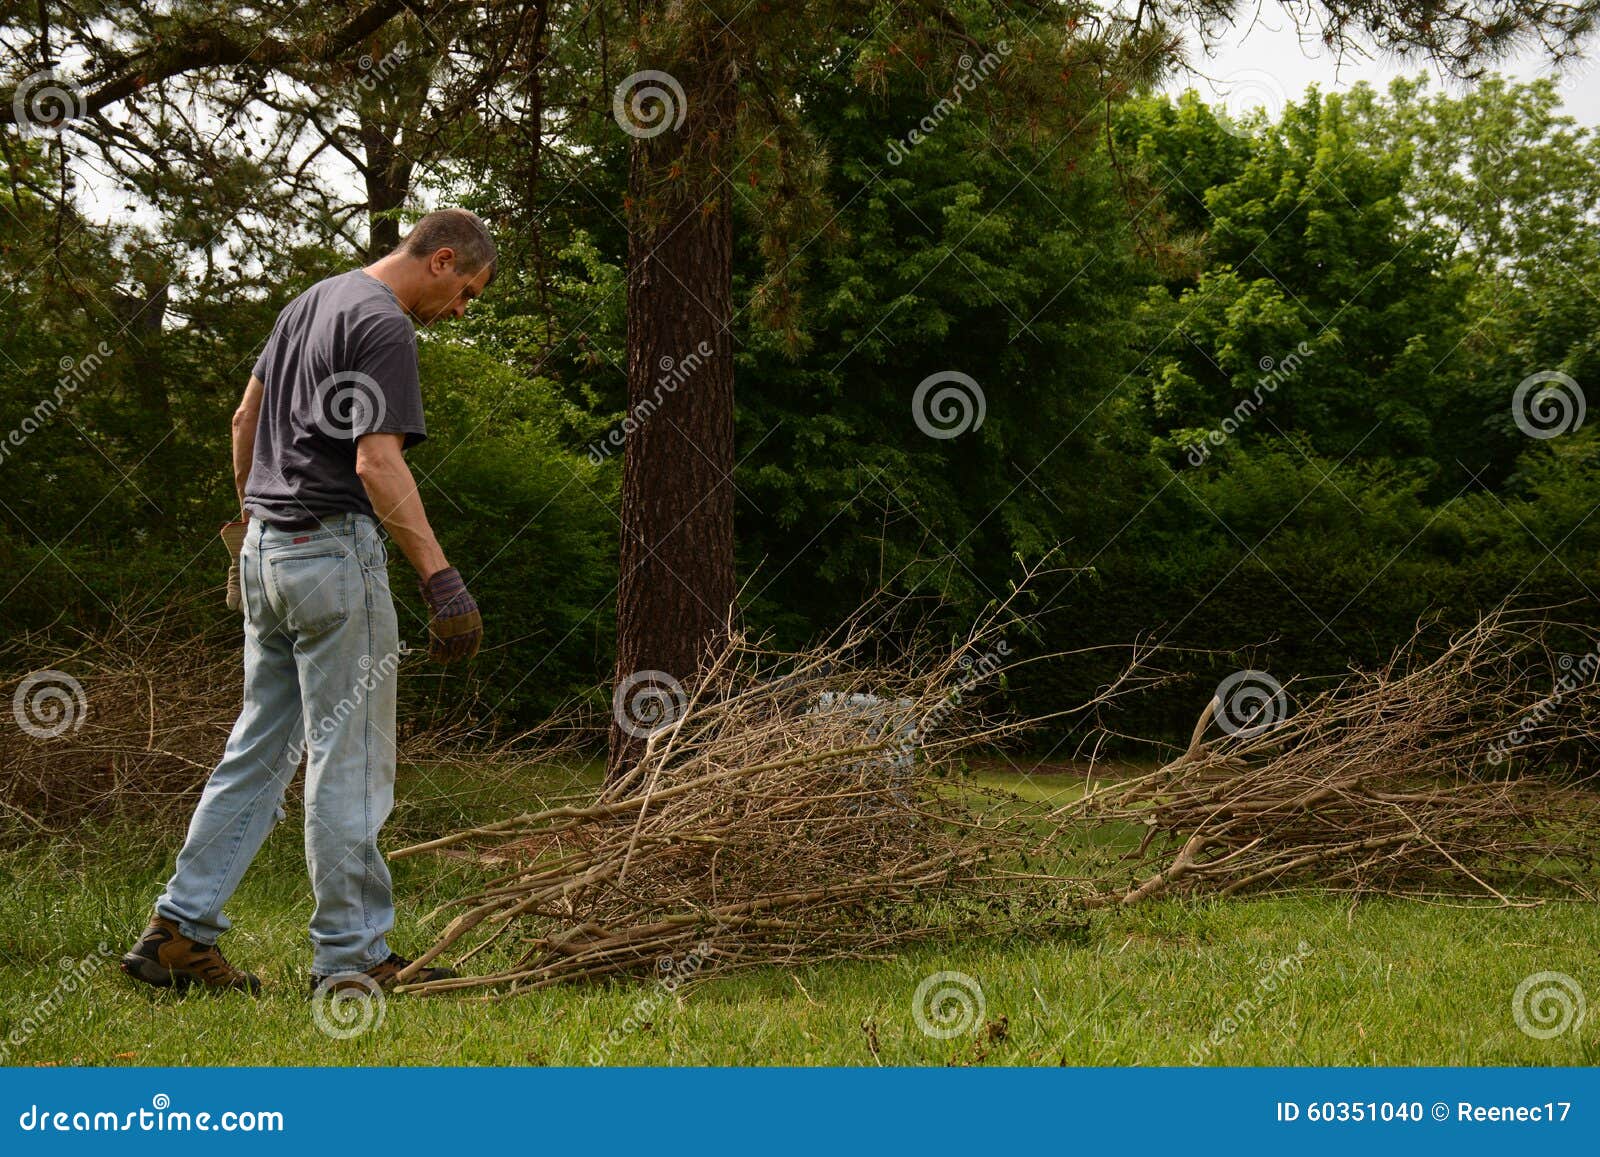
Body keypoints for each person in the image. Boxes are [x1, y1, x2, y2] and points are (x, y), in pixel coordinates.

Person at [120, 209, 493, 996]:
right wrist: (441, 577)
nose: (462, 310)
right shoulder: (384, 326)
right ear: (441, 259)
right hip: (332, 554)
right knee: (349, 760)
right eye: (467, 291)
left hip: (265, 552)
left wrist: (253, 522)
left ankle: (178, 932)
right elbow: (376, 463)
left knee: (258, 750)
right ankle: (351, 958)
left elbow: (244, 419)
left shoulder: (311, 302)